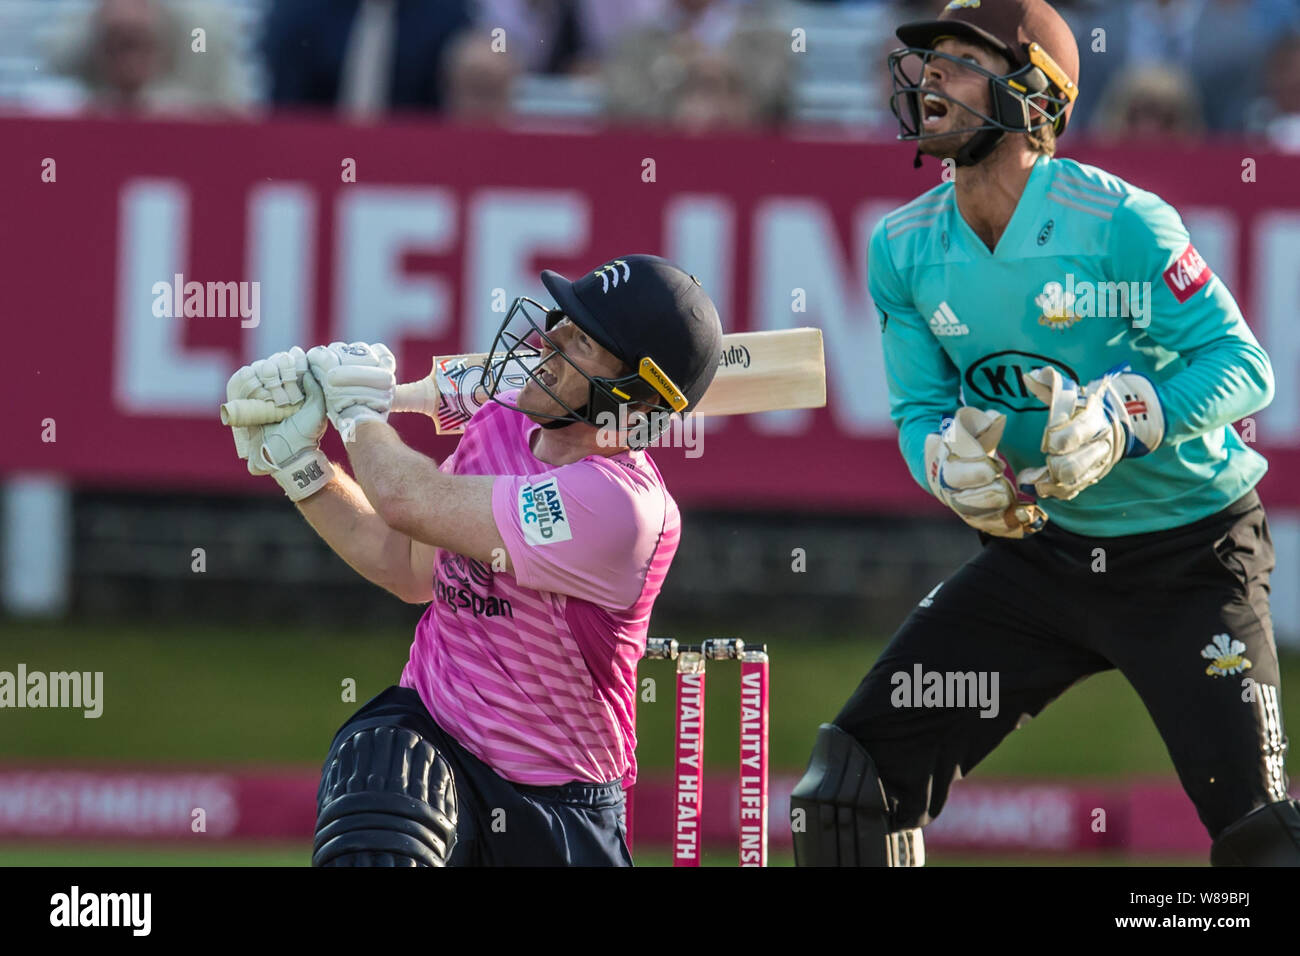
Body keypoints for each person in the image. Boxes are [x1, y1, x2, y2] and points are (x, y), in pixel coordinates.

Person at [791, 0, 1296, 866]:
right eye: (930, 58)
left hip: (1193, 557)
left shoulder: (1123, 222)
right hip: (1047, 558)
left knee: (1263, 841)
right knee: (850, 789)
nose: (933, 74)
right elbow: (919, 413)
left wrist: (1130, 414)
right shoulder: (902, 247)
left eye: (962, 58)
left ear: (1035, 97)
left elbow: (1245, 366)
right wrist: (943, 468)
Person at [223, 255, 722, 865]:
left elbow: (409, 499)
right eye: (564, 320)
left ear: (632, 398)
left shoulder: (622, 509)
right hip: (434, 738)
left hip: (556, 804)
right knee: (379, 780)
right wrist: (299, 465)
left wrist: (357, 413)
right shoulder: (500, 423)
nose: (551, 337)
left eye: (582, 340)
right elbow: (407, 568)